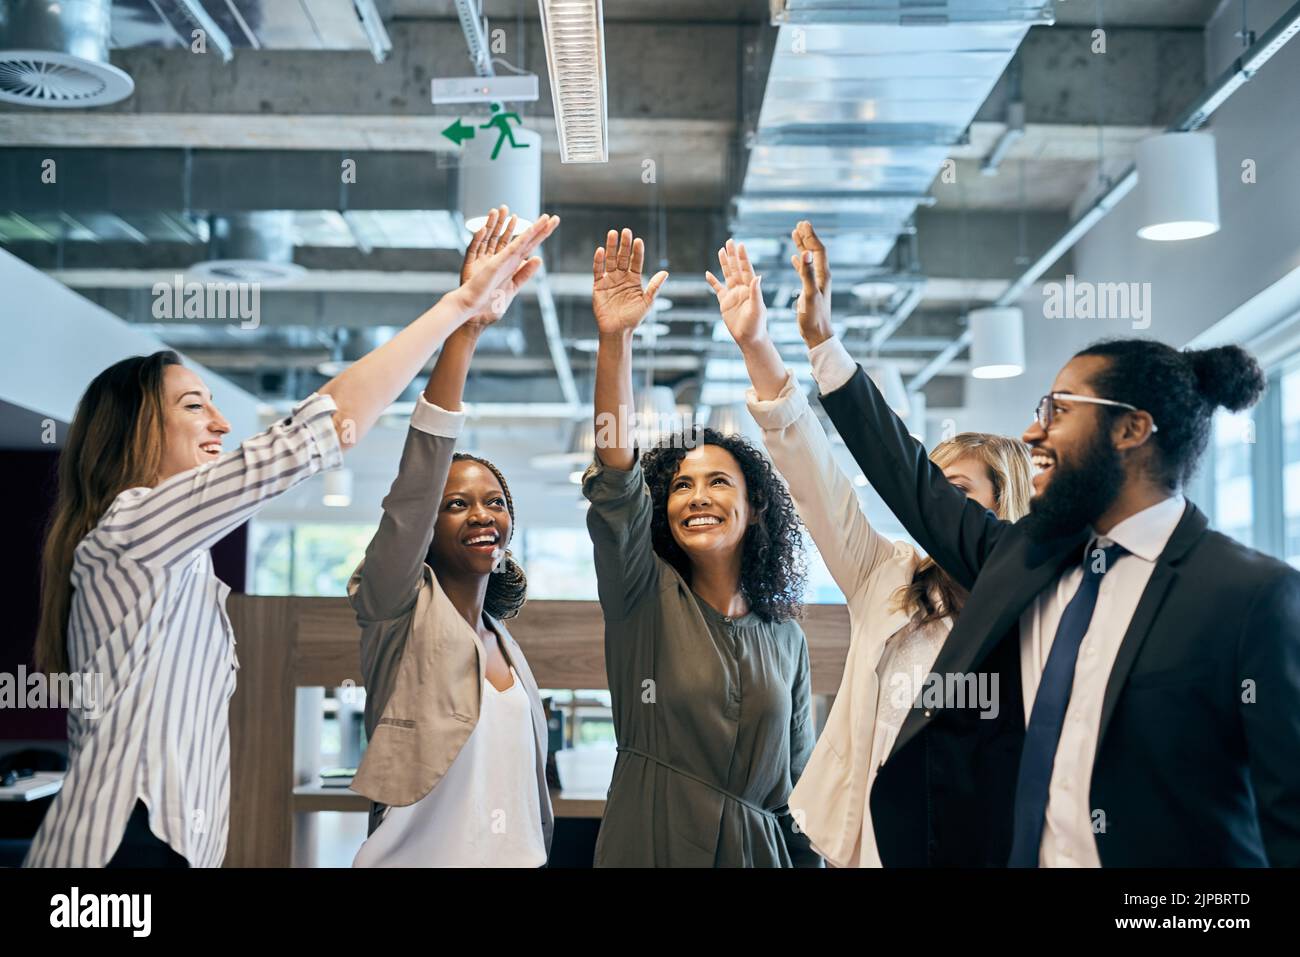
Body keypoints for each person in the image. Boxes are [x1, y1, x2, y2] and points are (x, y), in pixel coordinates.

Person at [24, 212, 559, 868]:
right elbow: (318, 432)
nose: (221, 420)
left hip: (161, 849)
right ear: (133, 432)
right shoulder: (133, 528)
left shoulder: (176, 561)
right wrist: (457, 311)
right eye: (194, 405)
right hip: (117, 854)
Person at [790, 219, 1300, 867]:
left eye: (1058, 409)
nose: (1033, 433)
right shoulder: (1026, 557)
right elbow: (911, 481)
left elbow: (1287, 820)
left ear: (1132, 429)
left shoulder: (1250, 595)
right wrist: (823, 343)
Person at [706, 237, 1033, 867]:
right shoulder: (886, 576)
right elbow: (814, 474)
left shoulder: (1035, 604)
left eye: (955, 492)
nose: (934, 512)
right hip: (870, 847)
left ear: (1004, 504)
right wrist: (759, 347)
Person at [582, 227, 819, 867]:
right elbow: (615, 479)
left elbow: (803, 793)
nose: (697, 496)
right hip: (651, 847)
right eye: (681, 486)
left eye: (719, 481)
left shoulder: (786, 639)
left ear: (756, 506)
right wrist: (616, 340)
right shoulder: (641, 596)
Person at [350, 207, 552, 867]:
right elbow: (416, 484)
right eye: (457, 504)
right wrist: (466, 330)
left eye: (494, 502)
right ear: (427, 531)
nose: (481, 514)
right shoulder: (396, 611)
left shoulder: (505, 643)